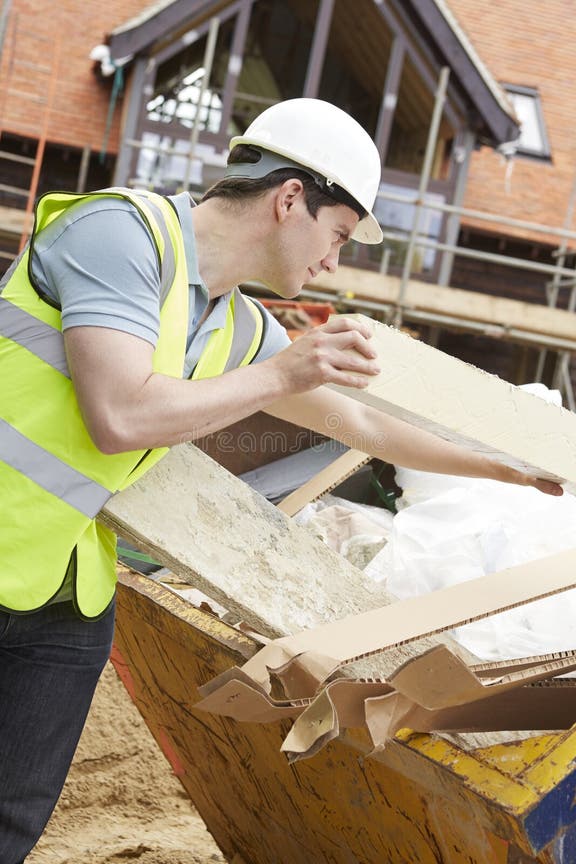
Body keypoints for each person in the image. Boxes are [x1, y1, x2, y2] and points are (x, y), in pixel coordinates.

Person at [0, 97, 561, 863]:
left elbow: (361, 425)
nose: (333, 261)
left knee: (12, 818)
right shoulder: (120, 234)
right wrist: (282, 371)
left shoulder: (238, 328)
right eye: (336, 236)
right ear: (290, 198)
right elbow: (121, 416)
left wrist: (503, 466)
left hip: (67, 589)